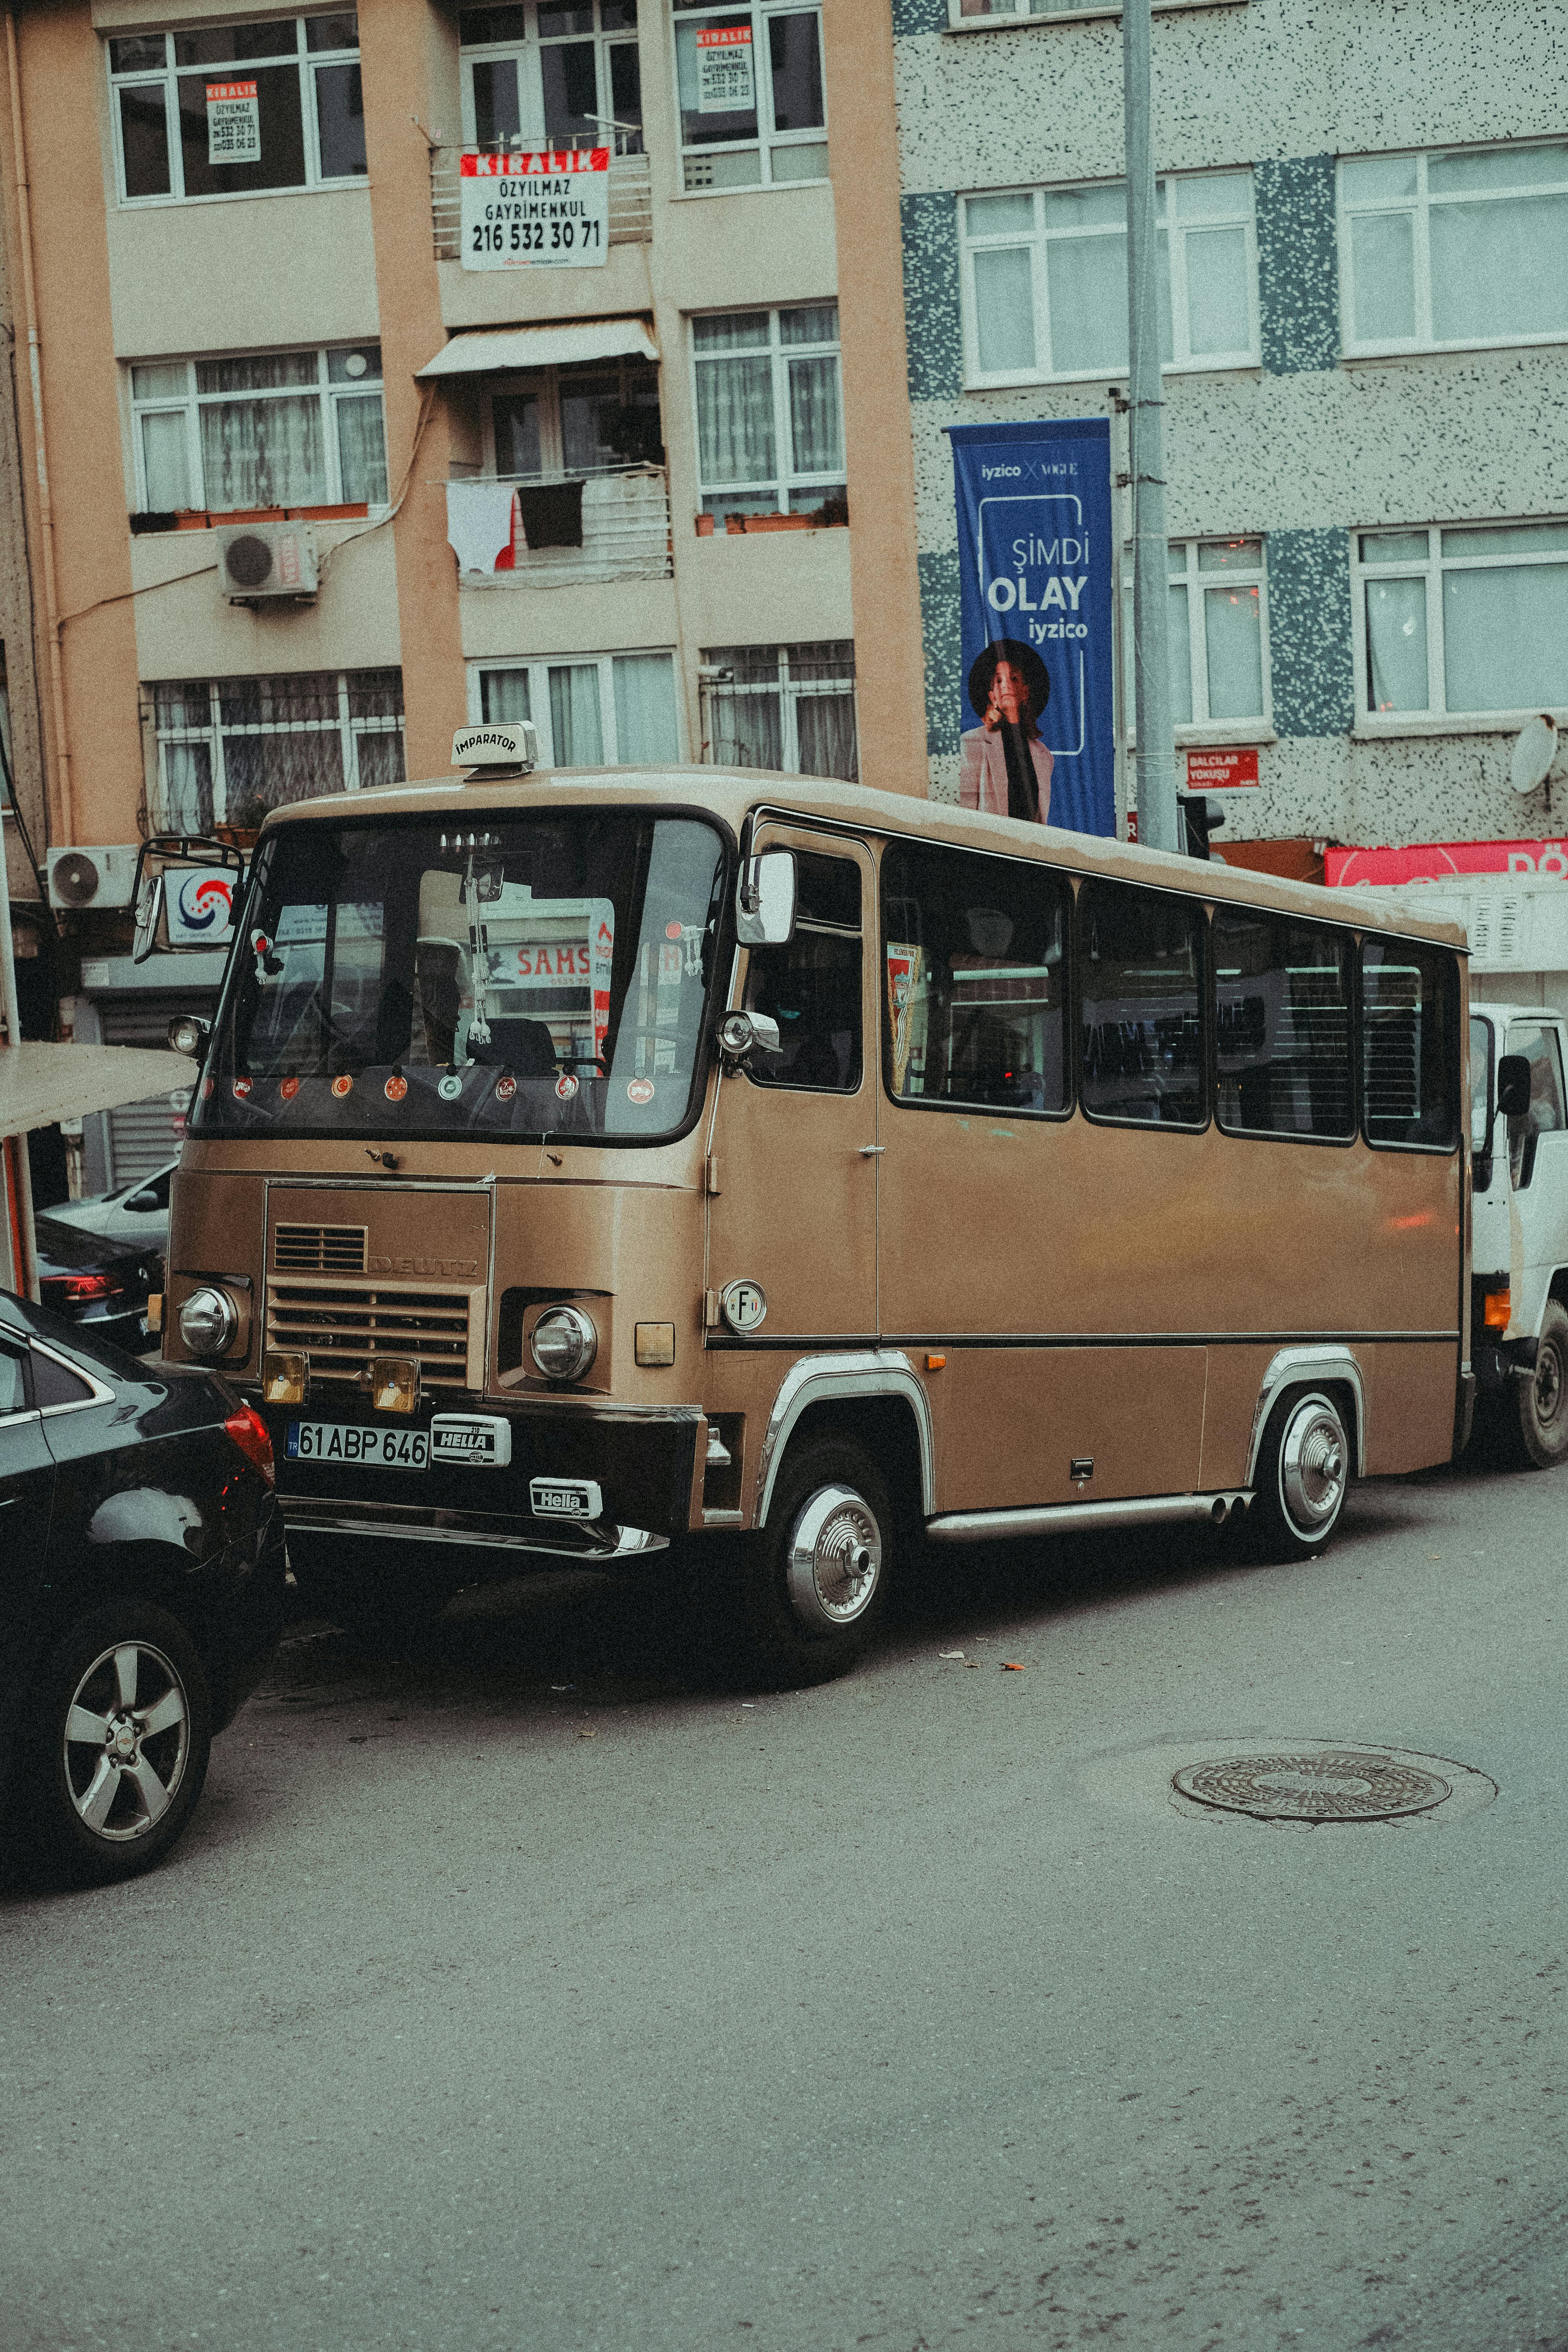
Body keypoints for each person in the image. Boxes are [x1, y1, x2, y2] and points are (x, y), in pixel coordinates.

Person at [959, 639, 1053, 823]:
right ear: (993, 696)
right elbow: (965, 814)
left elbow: (1041, 820)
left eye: (1014, 678)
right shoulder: (972, 743)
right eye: (999, 680)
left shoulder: (1044, 755)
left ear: (1026, 692)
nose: (1005, 685)